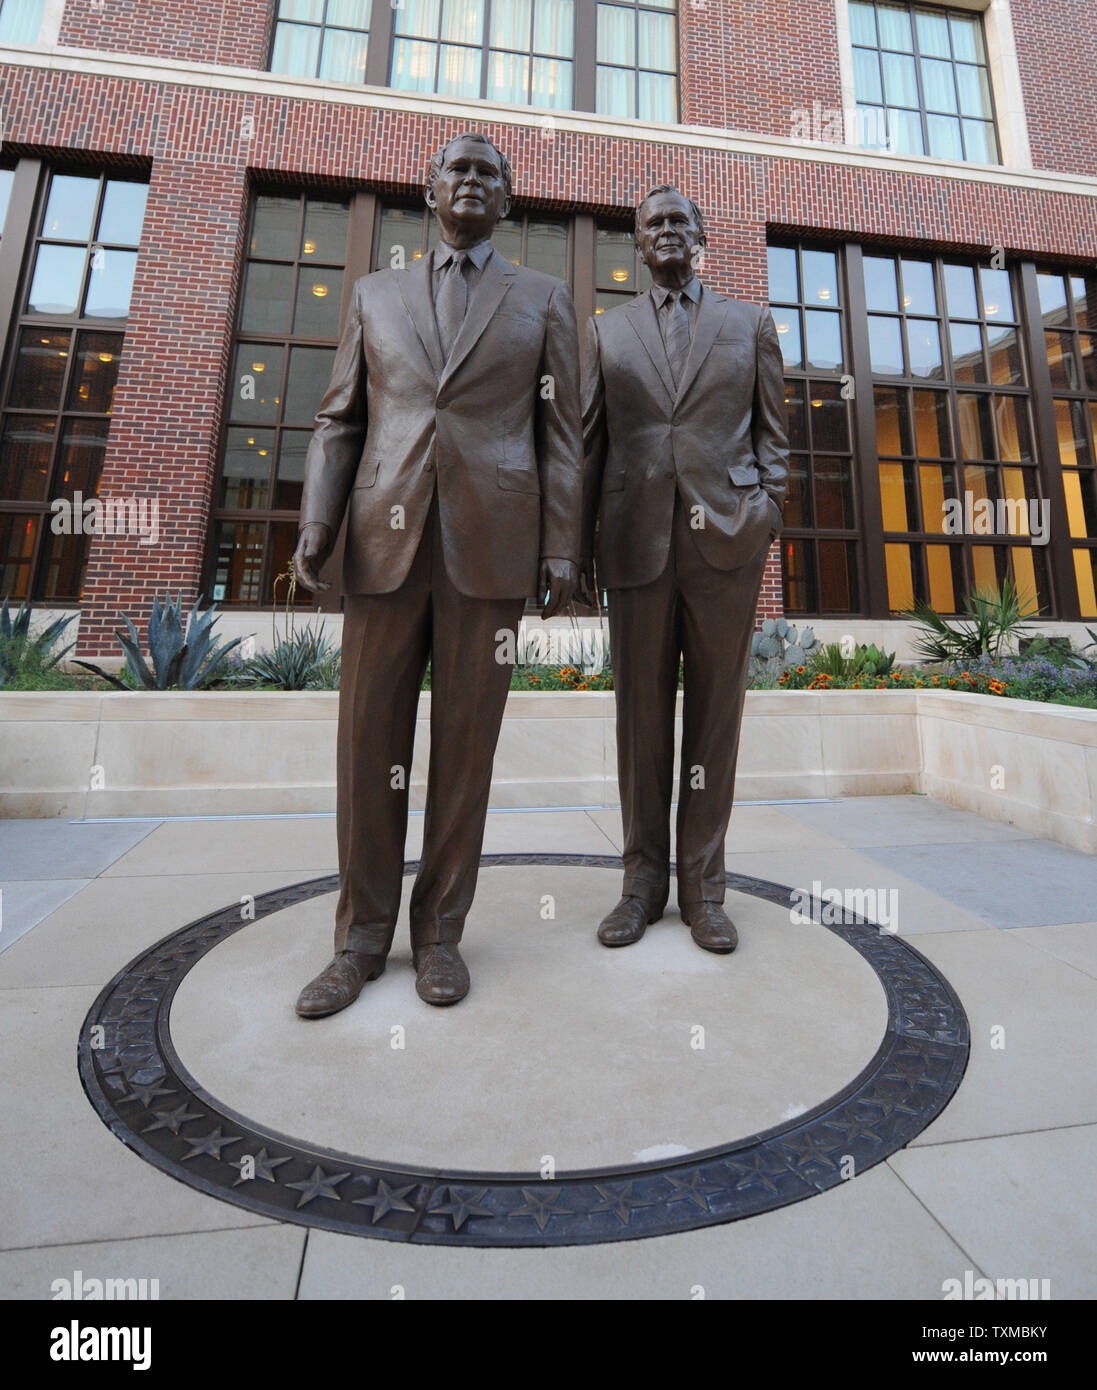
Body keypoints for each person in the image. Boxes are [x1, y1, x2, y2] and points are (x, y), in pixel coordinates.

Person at [292, 132, 582, 1014]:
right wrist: (317, 521)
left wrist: (561, 545)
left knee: (464, 754)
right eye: (456, 168)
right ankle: (360, 940)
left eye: (488, 173)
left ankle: (441, 936)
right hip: (382, 547)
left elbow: (562, 436)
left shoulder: (543, 300)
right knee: (366, 749)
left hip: (489, 552)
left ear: (506, 200)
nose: (471, 181)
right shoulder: (373, 295)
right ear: (428, 192)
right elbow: (340, 420)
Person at [582, 185, 788, 954]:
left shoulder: (749, 323)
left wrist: (765, 513)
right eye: (652, 224)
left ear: (701, 237)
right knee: (638, 718)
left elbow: (774, 437)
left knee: (714, 719)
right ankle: (641, 885)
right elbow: (587, 447)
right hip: (634, 547)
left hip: (725, 545)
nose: (667, 232)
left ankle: (704, 889)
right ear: (636, 245)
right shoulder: (607, 333)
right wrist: (573, 550)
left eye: (679, 221)